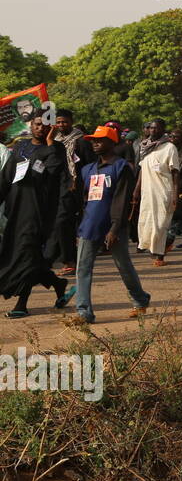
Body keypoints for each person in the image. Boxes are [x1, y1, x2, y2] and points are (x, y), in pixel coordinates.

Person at [73, 126, 151, 324]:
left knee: (123, 265)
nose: (95, 143)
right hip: (89, 226)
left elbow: (122, 200)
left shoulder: (122, 167)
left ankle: (140, 298)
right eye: (93, 140)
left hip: (113, 228)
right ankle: (84, 312)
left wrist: (115, 228)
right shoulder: (87, 169)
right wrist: (80, 227)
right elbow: (84, 201)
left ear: (112, 143)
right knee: (82, 268)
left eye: (100, 140)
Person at [0, 117, 73, 318]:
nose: (40, 128)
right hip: (16, 210)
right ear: (30, 126)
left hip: (38, 212)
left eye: (45, 126)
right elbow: (6, 178)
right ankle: (58, 283)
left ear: (51, 128)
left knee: (27, 254)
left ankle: (21, 304)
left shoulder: (55, 148)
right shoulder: (21, 147)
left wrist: (51, 143)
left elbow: (54, 170)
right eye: (37, 125)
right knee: (25, 254)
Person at [48, 107, 92, 277]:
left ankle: (76, 260)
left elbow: (89, 165)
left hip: (78, 188)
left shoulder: (81, 141)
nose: (61, 125)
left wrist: (85, 187)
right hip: (60, 188)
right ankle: (67, 260)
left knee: (74, 223)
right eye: (58, 122)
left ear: (71, 122)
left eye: (64, 122)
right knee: (61, 223)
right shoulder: (55, 141)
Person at [133, 119, 180, 266]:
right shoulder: (145, 147)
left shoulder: (169, 148)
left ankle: (160, 255)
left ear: (163, 130)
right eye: (151, 128)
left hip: (163, 191)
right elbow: (142, 170)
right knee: (147, 222)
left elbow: (175, 173)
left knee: (161, 224)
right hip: (147, 192)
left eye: (156, 128)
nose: (153, 131)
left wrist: (175, 194)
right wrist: (136, 190)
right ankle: (154, 250)